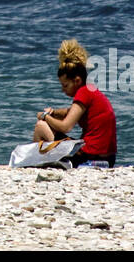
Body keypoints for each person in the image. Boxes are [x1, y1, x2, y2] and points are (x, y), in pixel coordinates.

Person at [31, 39, 117, 167]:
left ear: (77, 80)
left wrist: (45, 117)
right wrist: (53, 112)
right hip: (109, 157)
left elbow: (66, 127)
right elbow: (70, 112)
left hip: (89, 156)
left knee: (40, 126)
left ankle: (31, 164)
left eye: (65, 85)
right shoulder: (91, 91)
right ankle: (35, 163)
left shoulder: (83, 93)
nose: (63, 89)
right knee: (47, 126)